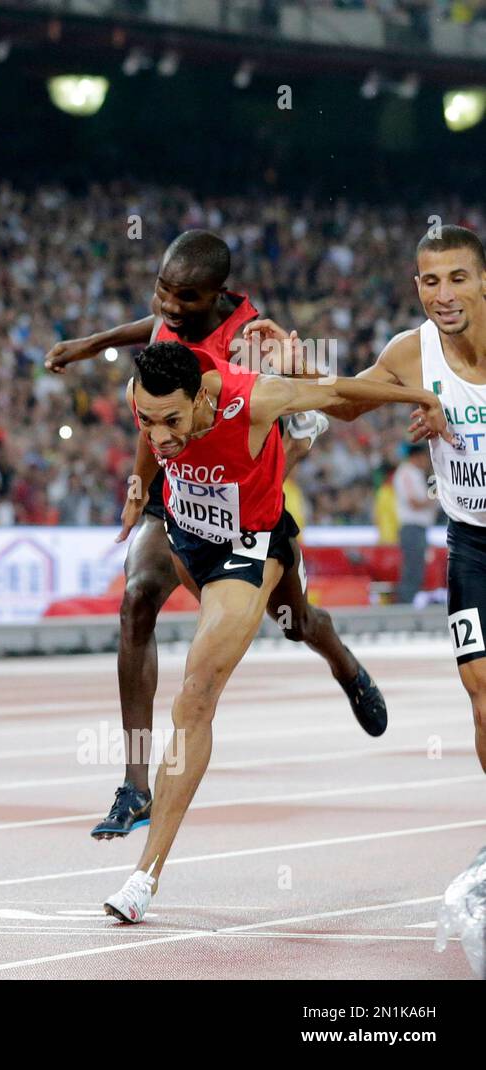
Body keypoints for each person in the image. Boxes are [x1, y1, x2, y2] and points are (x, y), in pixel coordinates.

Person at [102, 339, 450, 923]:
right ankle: (144, 879)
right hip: (186, 538)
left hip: (250, 549)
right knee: (216, 657)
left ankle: (345, 666)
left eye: (172, 421)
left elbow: (340, 392)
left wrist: (419, 395)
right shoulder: (151, 394)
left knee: (226, 673)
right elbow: (149, 435)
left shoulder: (255, 398)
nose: (160, 435)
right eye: (148, 420)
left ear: (201, 397)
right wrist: (141, 485)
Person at [44, 230, 364, 839]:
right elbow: (155, 338)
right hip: (178, 498)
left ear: (218, 297)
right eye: (162, 289)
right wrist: (91, 344)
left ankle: (341, 661)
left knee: (295, 620)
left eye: (184, 297)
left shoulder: (252, 344)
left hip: (245, 507)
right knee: (137, 598)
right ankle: (135, 784)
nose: (168, 305)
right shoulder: (174, 319)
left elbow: (304, 426)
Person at [260, 224, 486, 774]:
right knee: (481, 693)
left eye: (458, 279)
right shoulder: (410, 353)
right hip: (472, 545)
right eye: (432, 282)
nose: (445, 295)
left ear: (483, 281)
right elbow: (344, 402)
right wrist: (301, 365)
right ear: (417, 288)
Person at [393, 443, 438, 603]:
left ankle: (409, 603)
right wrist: (434, 499)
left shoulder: (416, 473)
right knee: (412, 569)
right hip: (412, 527)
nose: (427, 461)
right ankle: (404, 605)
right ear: (417, 456)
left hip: (418, 528)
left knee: (417, 568)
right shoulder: (406, 472)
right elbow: (414, 502)